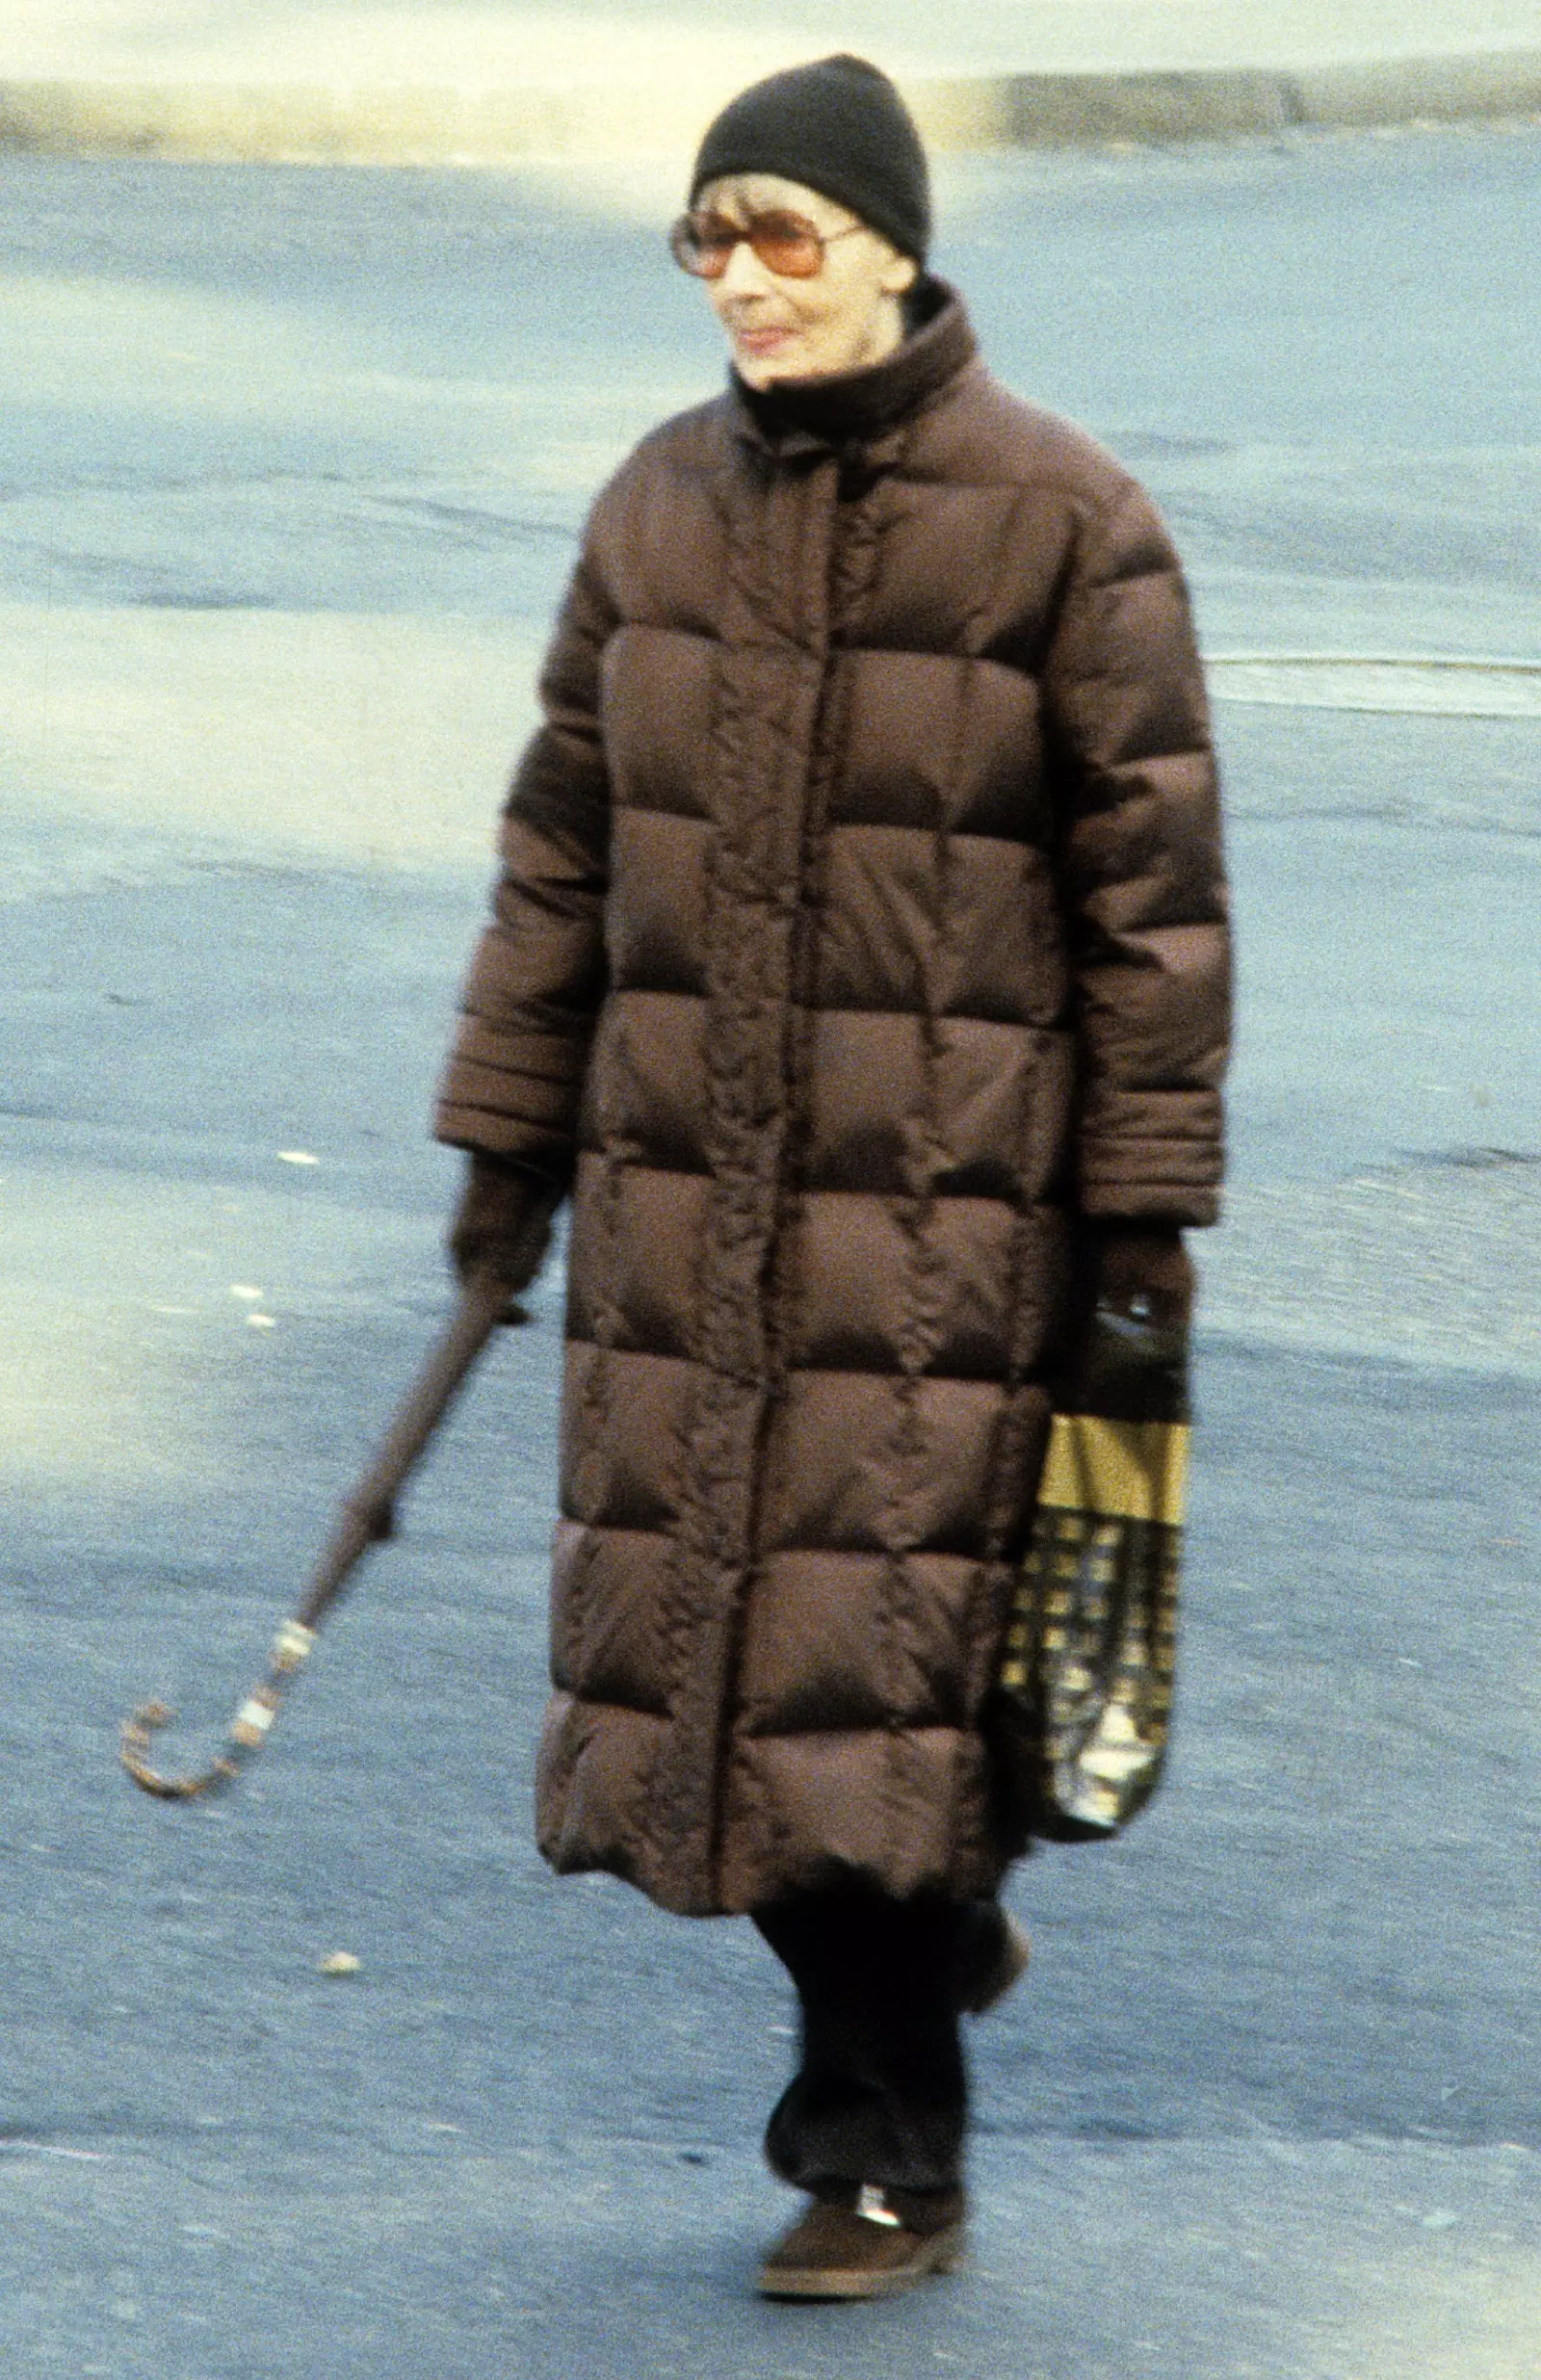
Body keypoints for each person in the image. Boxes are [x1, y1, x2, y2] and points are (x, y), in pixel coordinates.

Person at [435, 53, 1230, 2301]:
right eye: (709, 240)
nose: (743, 284)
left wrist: (1141, 1225)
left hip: (948, 1220)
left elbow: (1150, 911)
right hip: (689, 1205)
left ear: (889, 242)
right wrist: (505, 1129)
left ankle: (881, 2149)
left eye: (785, 236)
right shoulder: (651, 512)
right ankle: (932, 1932)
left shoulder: (1063, 523)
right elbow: (561, 848)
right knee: (723, 1676)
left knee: (863, 1664)